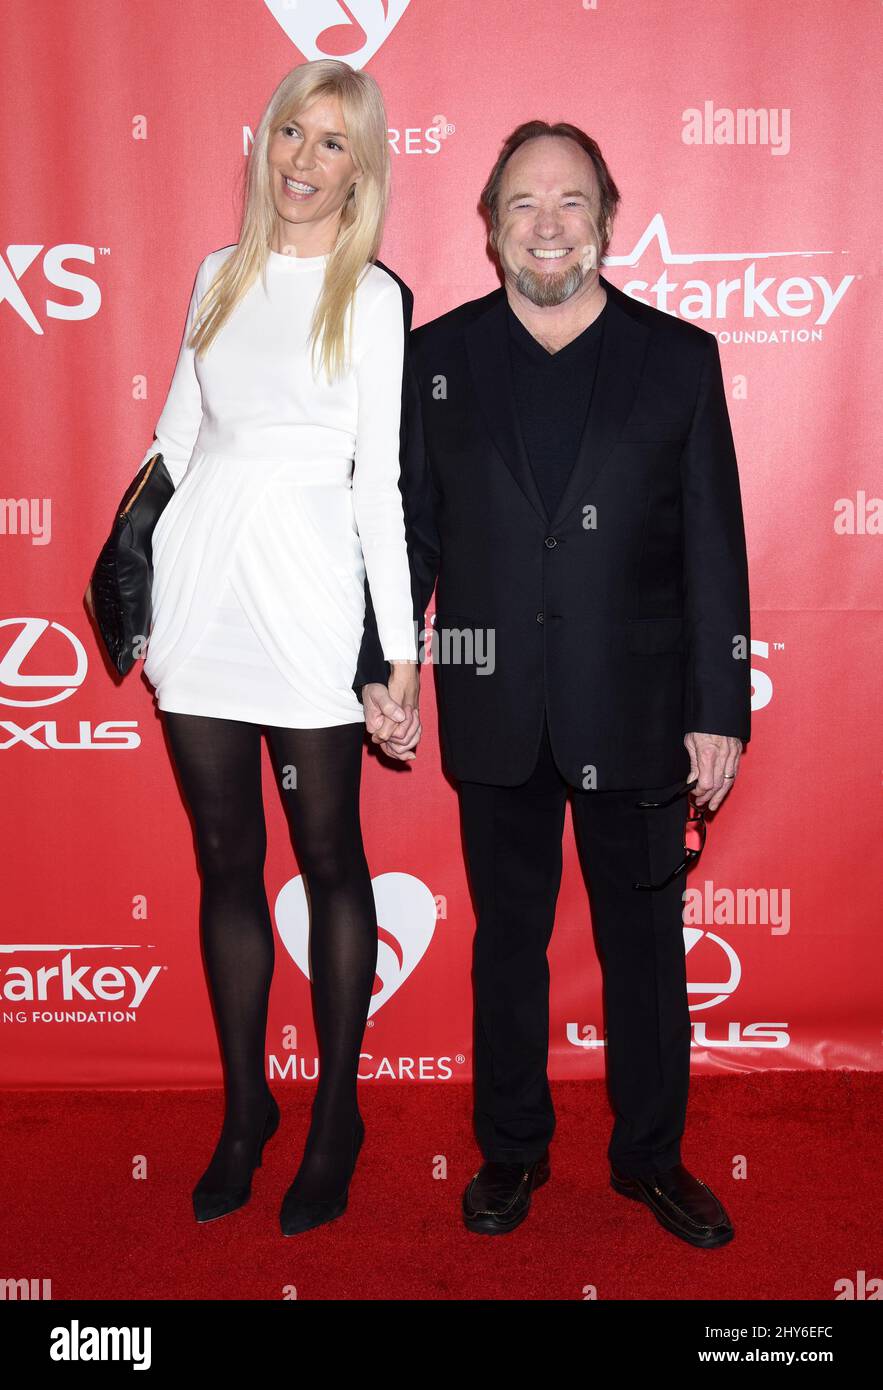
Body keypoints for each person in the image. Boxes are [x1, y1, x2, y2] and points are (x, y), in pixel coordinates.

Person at [371, 121, 751, 1246]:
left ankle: (649, 1159)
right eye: (524, 204)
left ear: (606, 219)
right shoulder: (434, 359)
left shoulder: (677, 358)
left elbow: (714, 552)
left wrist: (717, 708)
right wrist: (383, 666)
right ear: (489, 226)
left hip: (635, 711)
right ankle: (511, 1150)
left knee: (643, 952)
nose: (547, 224)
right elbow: (410, 536)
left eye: (571, 202)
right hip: (492, 706)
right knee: (506, 943)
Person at [115, 60, 422, 1235]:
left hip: (304, 603)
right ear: (265, 143)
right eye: (291, 131)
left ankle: (335, 1109)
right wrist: (140, 586)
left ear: (363, 168)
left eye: (332, 143)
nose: (302, 159)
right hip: (201, 599)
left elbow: (380, 488)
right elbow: (175, 446)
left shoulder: (375, 295)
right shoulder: (215, 275)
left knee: (329, 856)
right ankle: (248, 1110)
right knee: (225, 860)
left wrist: (396, 653)